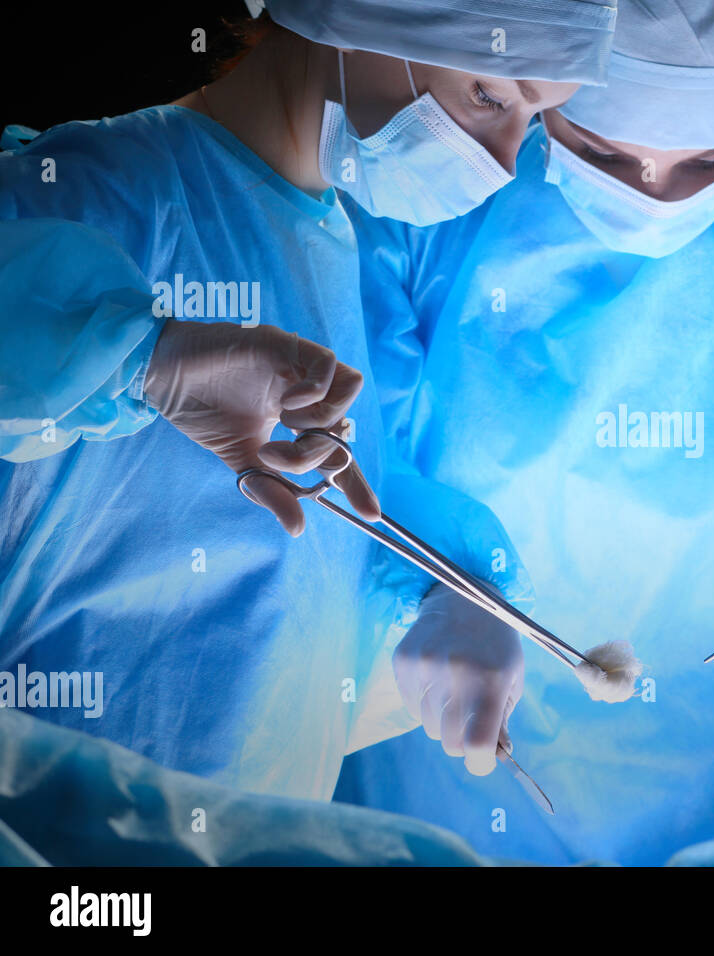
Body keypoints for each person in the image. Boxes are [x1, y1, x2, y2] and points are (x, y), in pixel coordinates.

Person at [0, 0, 615, 798]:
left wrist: (434, 600)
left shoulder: (328, 239)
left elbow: (284, 580)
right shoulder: (100, 191)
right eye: (491, 95)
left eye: (535, 119)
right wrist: (145, 360)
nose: (503, 163)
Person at [332, 0, 714, 864]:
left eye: (712, 160)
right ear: (547, 82)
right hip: (447, 765)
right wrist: (426, 588)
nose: (654, 196)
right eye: (599, 152)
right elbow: (347, 438)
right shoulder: (443, 175)